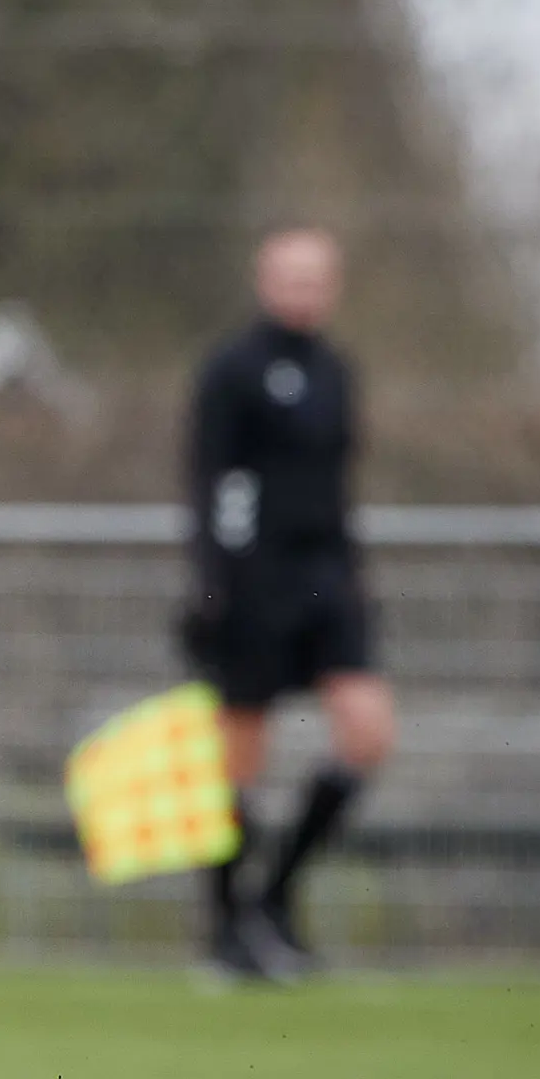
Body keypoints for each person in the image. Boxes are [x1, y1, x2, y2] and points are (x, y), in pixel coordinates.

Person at [181, 227, 397, 981]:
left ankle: (272, 899)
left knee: (367, 731)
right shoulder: (233, 369)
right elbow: (212, 485)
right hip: (254, 581)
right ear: (263, 278)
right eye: (290, 275)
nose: (303, 289)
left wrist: (356, 580)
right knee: (240, 758)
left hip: (327, 580)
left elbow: (336, 488)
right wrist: (212, 587)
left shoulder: (337, 371)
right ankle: (225, 931)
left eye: (316, 277)